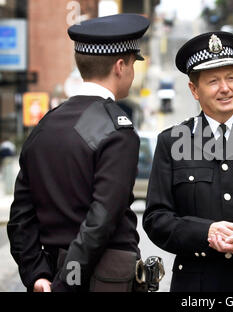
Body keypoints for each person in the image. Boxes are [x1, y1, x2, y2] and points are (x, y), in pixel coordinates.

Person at [7, 14, 149, 292]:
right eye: (133, 63)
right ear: (120, 66)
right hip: (102, 280)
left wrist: (37, 275)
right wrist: (66, 282)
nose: (132, 72)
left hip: (52, 274)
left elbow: (21, 216)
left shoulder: (45, 125)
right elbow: (101, 221)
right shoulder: (117, 129)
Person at [143, 31, 233, 291]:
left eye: (231, 77)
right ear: (194, 90)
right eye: (213, 81)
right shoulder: (173, 141)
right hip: (194, 285)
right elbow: (156, 219)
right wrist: (205, 233)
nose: (225, 88)